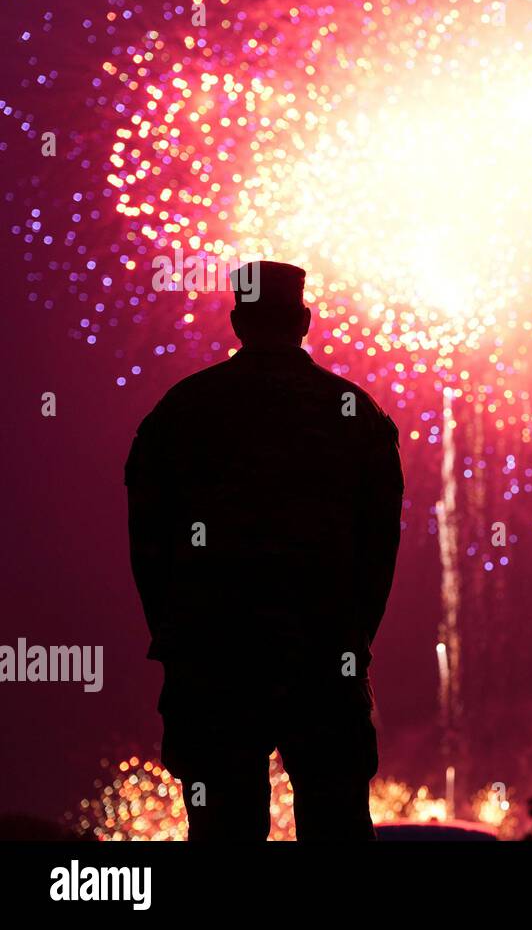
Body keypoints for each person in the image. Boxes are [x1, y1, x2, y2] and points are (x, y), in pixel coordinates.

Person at [125, 261, 403, 841]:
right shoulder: (354, 412)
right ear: (304, 319)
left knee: (222, 828)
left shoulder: (182, 409)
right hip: (325, 658)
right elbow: (380, 547)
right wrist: (351, 638)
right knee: (337, 826)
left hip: (212, 660)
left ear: (236, 320)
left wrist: (180, 638)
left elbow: (149, 543)